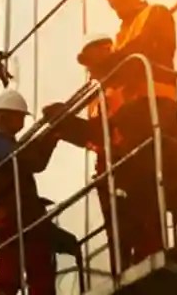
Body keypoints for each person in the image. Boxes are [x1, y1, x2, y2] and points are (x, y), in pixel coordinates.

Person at [90, 0, 177, 261]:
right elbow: (118, 73)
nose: (114, 7)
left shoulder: (156, 14)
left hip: (160, 107)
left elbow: (150, 51)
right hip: (134, 116)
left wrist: (116, 65)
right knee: (142, 185)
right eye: (110, 3)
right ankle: (152, 250)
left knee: (172, 178)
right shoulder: (121, 35)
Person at [43, 34, 134, 272]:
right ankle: (121, 269)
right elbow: (94, 137)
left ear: (106, 52)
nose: (91, 73)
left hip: (128, 160)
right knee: (116, 230)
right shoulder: (97, 98)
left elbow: (110, 129)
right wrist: (66, 127)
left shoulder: (125, 86)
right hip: (107, 166)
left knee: (138, 221)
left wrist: (70, 125)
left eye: (92, 64)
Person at [0, 89, 58, 295]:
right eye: (19, 116)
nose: (21, 121)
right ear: (2, 116)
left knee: (39, 268)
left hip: (24, 214)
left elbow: (34, 160)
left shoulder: (8, 145)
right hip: (13, 215)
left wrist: (52, 133)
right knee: (10, 272)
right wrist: (51, 133)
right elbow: (29, 160)